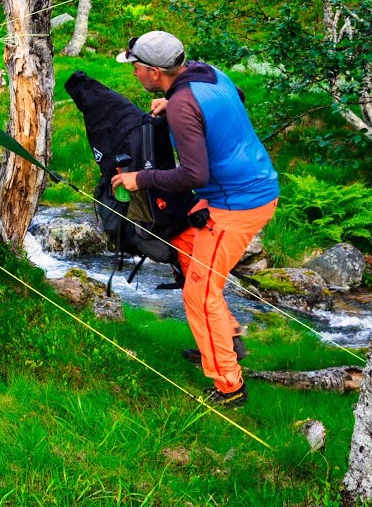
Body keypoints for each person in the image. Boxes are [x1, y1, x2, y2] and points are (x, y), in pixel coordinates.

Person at [110, 30, 278, 408]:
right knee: (184, 246)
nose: (133, 72)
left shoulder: (184, 103)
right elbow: (237, 97)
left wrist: (140, 179)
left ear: (155, 71)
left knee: (199, 295)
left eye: (136, 67)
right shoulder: (208, 73)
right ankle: (227, 339)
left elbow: (194, 175)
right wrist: (175, 104)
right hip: (249, 186)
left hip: (236, 204)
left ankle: (230, 388)